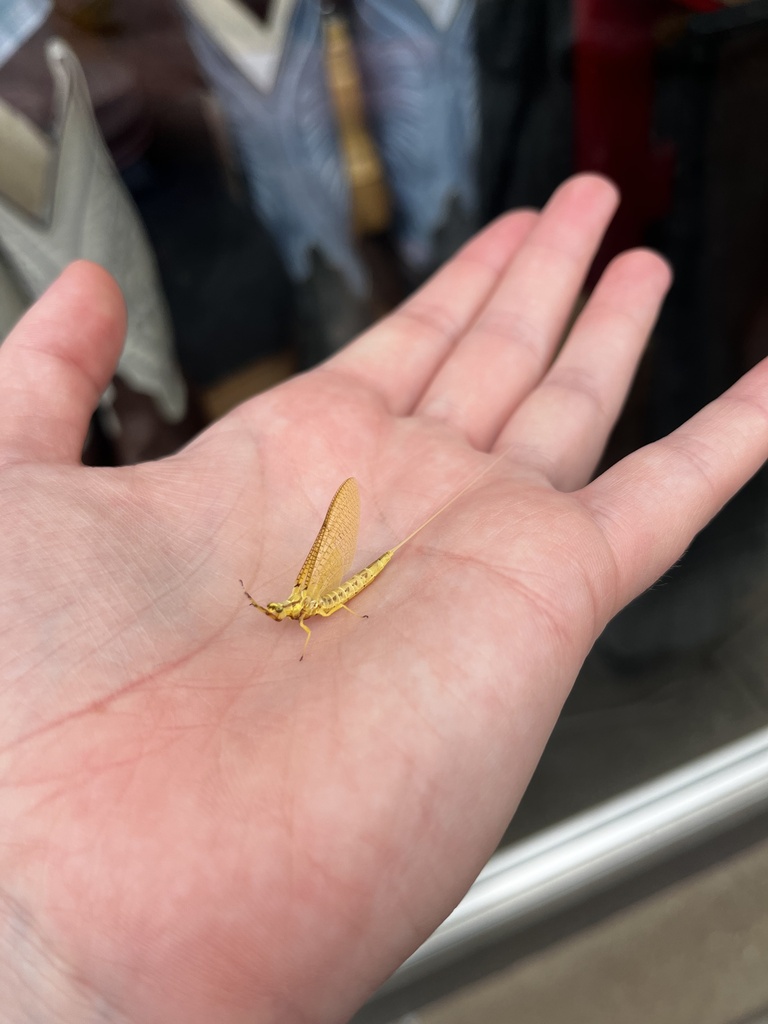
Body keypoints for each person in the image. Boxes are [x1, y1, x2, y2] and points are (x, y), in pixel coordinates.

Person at [1, 175, 766, 1023]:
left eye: (282, 614)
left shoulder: (310, 603)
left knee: (358, 582)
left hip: (347, 585)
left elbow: (317, 611)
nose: (282, 619)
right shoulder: (297, 610)